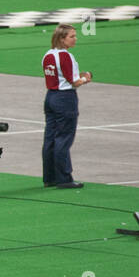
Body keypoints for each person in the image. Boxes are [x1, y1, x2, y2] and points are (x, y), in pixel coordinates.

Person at [42, 23, 92, 190]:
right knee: (63, 138)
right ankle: (64, 178)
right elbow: (74, 81)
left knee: (50, 138)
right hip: (65, 98)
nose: (75, 39)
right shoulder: (65, 56)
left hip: (50, 96)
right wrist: (87, 77)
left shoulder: (48, 55)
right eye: (72, 36)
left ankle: (49, 177)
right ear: (62, 39)